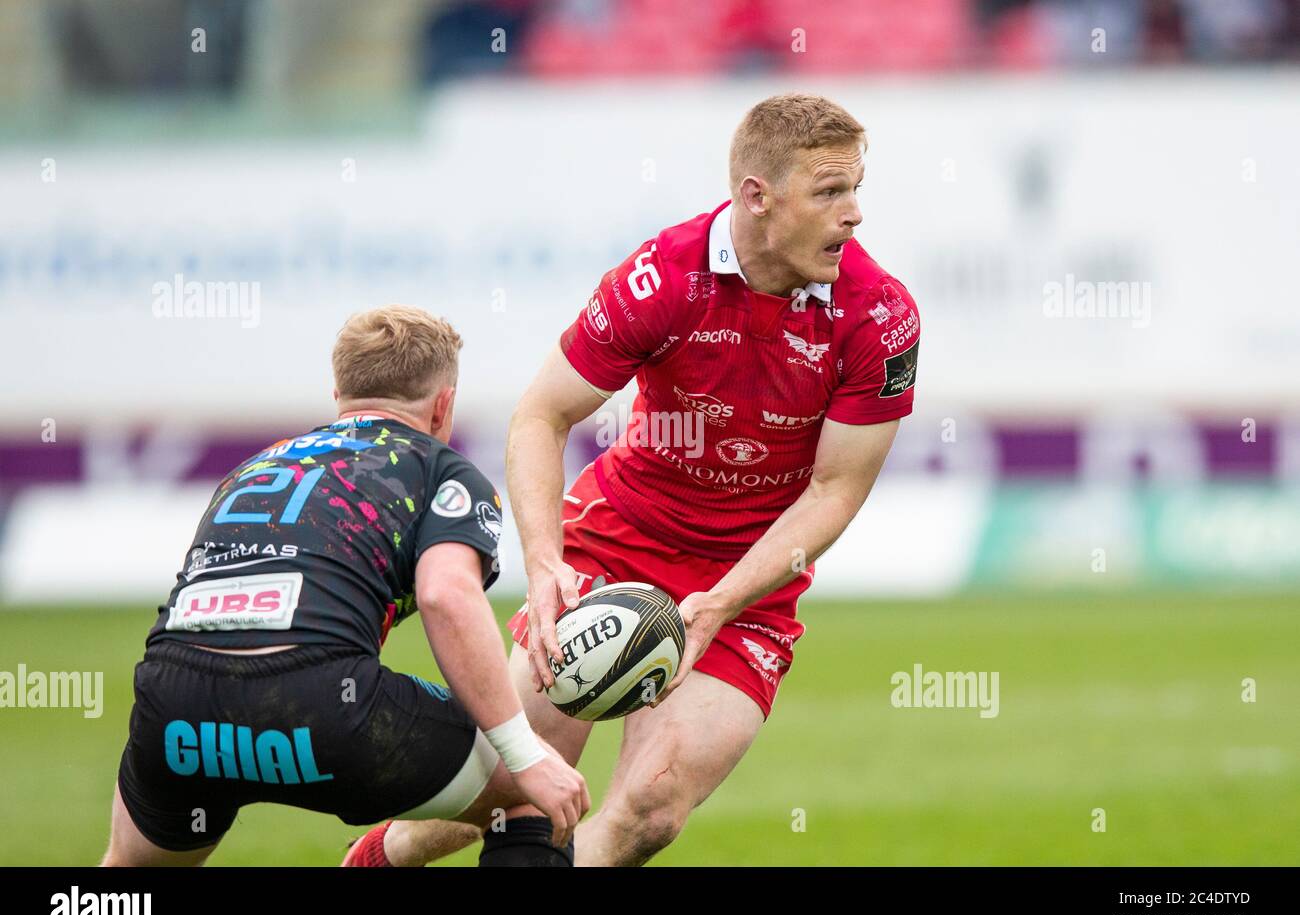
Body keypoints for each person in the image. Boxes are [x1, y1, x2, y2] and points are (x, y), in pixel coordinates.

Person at [355, 92, 920, 867]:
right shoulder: (664, 277)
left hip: (746, 582)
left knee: (650, 810)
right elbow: (541, 417)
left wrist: (722, 602)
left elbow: (835, 491)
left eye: (857, 187)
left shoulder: (880, 316)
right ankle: (382, 857)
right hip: (614, 546)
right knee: (504, 792)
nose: (854, 213)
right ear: (757, 197)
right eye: (830, 191)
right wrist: (547, 564)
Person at [102, 305, 589, 867]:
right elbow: (445, 595)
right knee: (529, 795)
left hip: (175, 704)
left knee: (130, 871)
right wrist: (525, 755)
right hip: (319, 706)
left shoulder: (254, 467)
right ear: (443, 405)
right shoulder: (441, 470)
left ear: (338, 392)